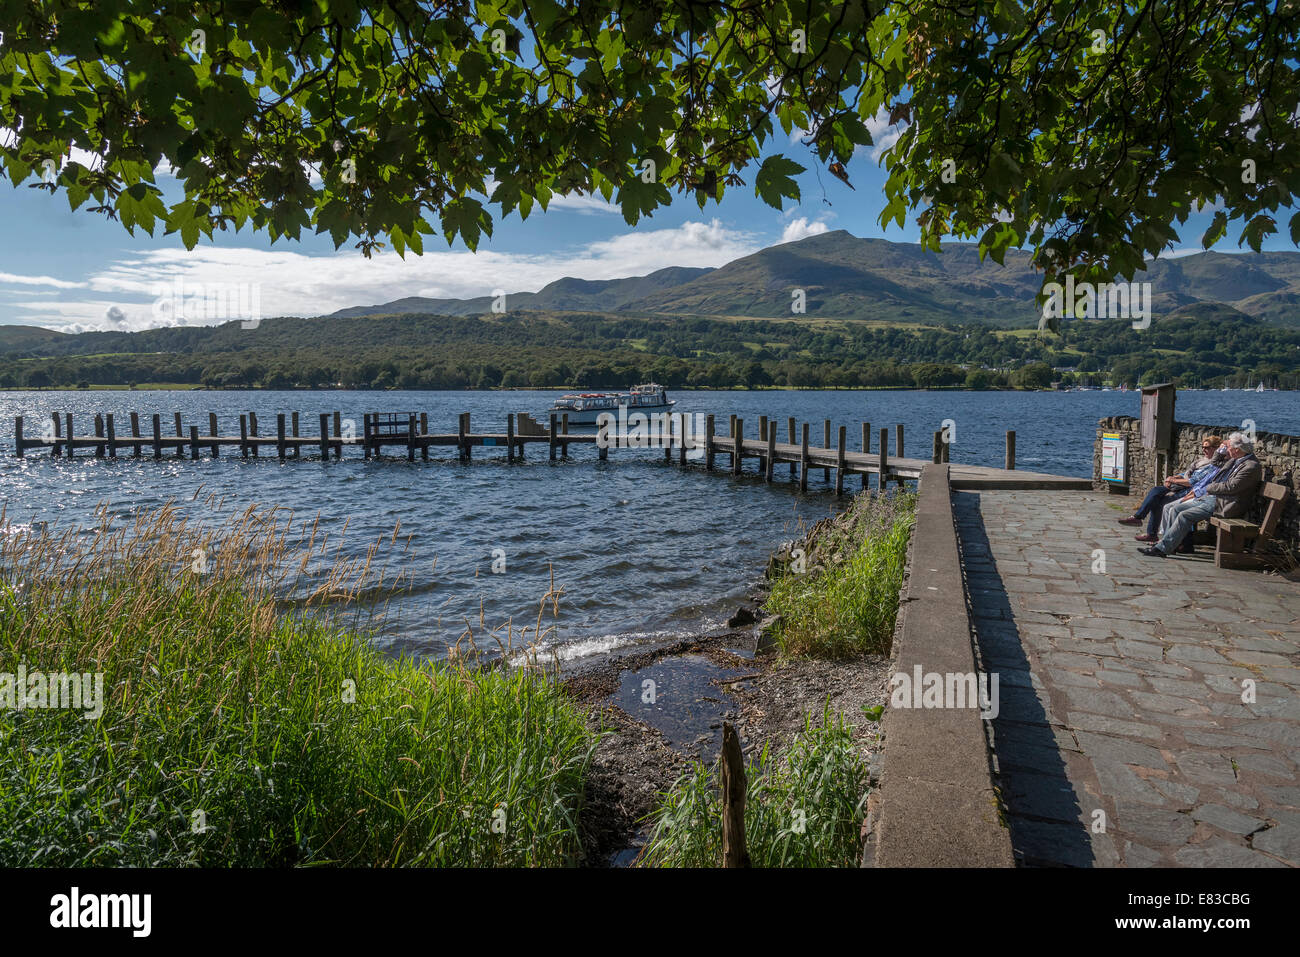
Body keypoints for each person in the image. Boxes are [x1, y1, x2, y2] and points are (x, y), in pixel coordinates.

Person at [1139, 432, 1262, 558]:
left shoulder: (1251, 466)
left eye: (1229, 447)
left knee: (1184, 515)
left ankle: (1163, 548)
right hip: (1214, 498)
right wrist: (1220, 451)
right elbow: (1215, 463)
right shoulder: (1236, 460)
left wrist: (1207, 488)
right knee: (1175, 509)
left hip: (1225, 504)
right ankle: (1167, 545)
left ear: (1237, 449)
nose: (1227, 449)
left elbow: (1231, 487)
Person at [1120, 436, 1225, 543]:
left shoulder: (1213, 465)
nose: (1204, 450)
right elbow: (1187, 474)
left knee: (1159, 501)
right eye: (1203, 447)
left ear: (1216, 449)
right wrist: (1175, 477)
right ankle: (1141, 521)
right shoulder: (1201, 461)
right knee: (1156, 491)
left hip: (1189, 491)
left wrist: (1173, 481)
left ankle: (1147, 527)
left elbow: (1192, 482)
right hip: (1181, 487)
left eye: (1207, 448)